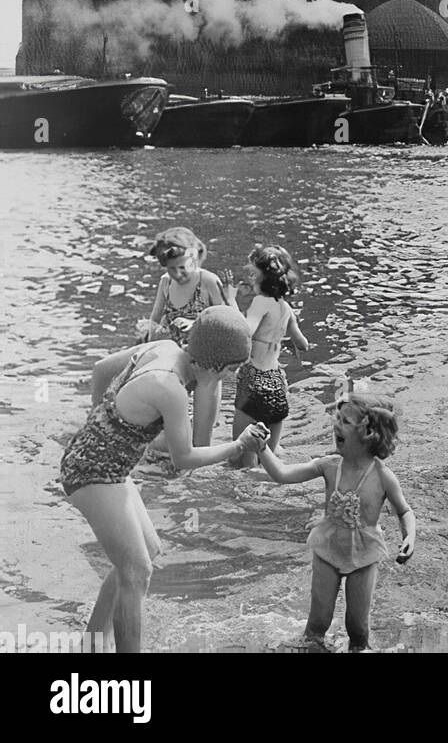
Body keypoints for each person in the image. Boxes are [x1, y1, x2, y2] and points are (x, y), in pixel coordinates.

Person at [60, 308, 266, 653]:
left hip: (105, 465)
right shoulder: (169, 387)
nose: (228, 378)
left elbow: (101, 370)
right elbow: (183, 459)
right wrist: (238, 445)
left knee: (147, 552)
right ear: (213, 364)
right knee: (136, 570)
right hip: (91, 472)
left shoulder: (166, 347)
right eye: (229, 371)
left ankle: (91, 646)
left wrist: (101, 420)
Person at [258, 394, 416, 653]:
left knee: (358, 630)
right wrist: (262, 448)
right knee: (317, 624)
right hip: (328, 549)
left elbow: (405, 511)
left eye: (345, 421)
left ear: (368, 434)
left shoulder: (383, 477)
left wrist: (409, 536)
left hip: (364, 556)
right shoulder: (330, 466)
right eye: (338, 418)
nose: (336, 425)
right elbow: (282, 474)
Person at [142, 227, 232, 443]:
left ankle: (202, 447)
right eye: (171, 269)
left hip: (205, 365)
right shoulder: (166, 282)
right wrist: (150, 333)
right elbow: (154, 318)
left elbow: (227, 320)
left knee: (201, 441)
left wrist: (196, 324)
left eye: (182, 268)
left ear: (194, 257)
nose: (177, 274)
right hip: (176, 362)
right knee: (167, 430)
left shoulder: (208, 281)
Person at [229, 244, 310, 468]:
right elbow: (303, 344)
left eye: (253, 274)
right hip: (277, 383)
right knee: (269, 459)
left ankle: (243, 499)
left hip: (254, 381)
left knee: (239, 455)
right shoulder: (286, 308)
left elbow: (244, 331)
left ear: (262, 278)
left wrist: (231, 301)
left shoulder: (260, 302)